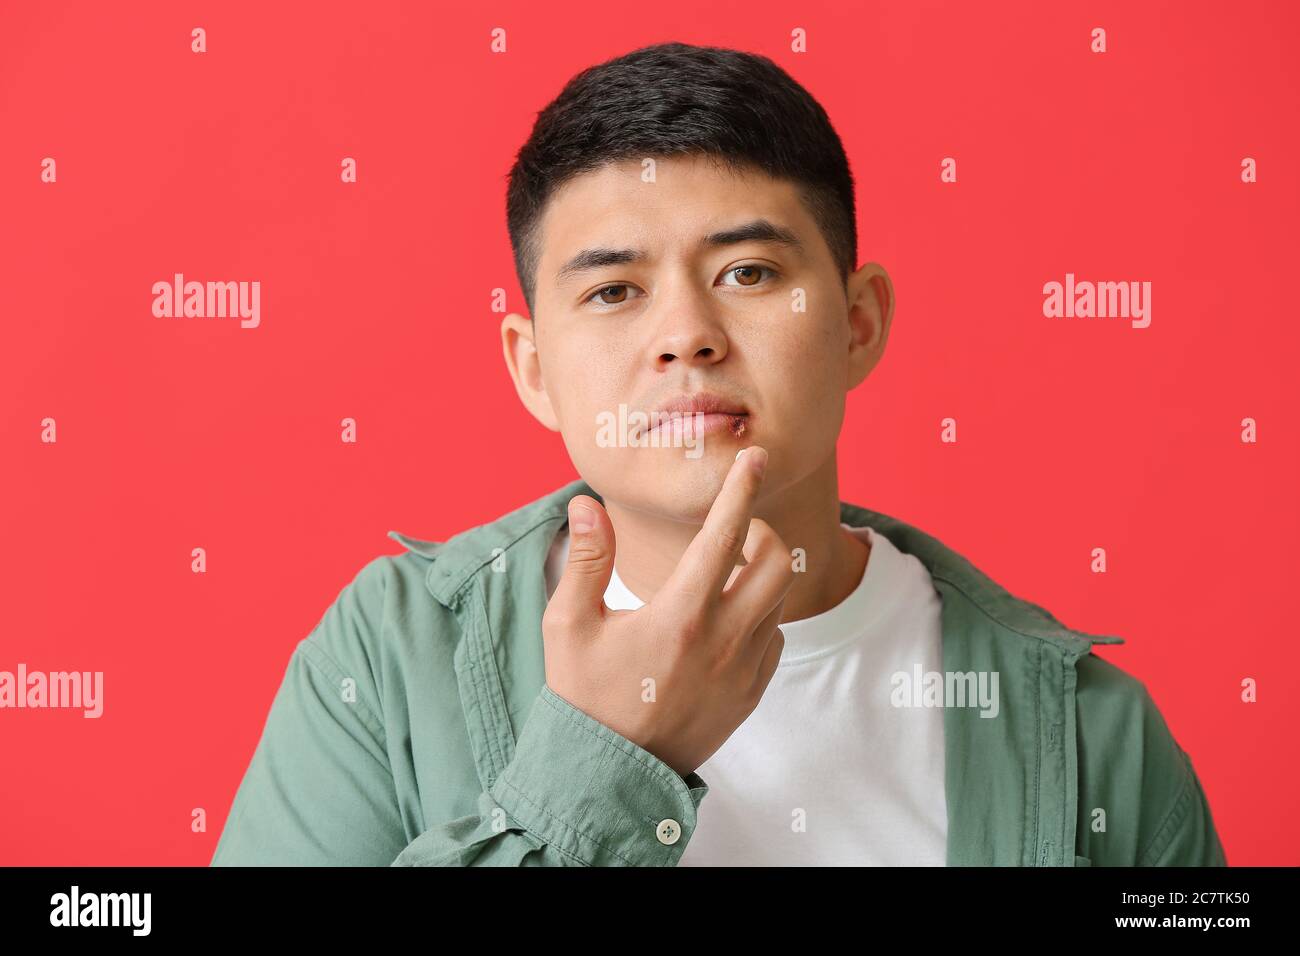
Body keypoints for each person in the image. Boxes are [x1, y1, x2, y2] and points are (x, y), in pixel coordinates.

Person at [211, 41, 1226, 866]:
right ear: (532, 368)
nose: (685, 334)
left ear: (858, 321)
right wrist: (608, 759)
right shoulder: (390, 656)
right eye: (613, 291)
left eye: (746, 271)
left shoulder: (1085, 729)